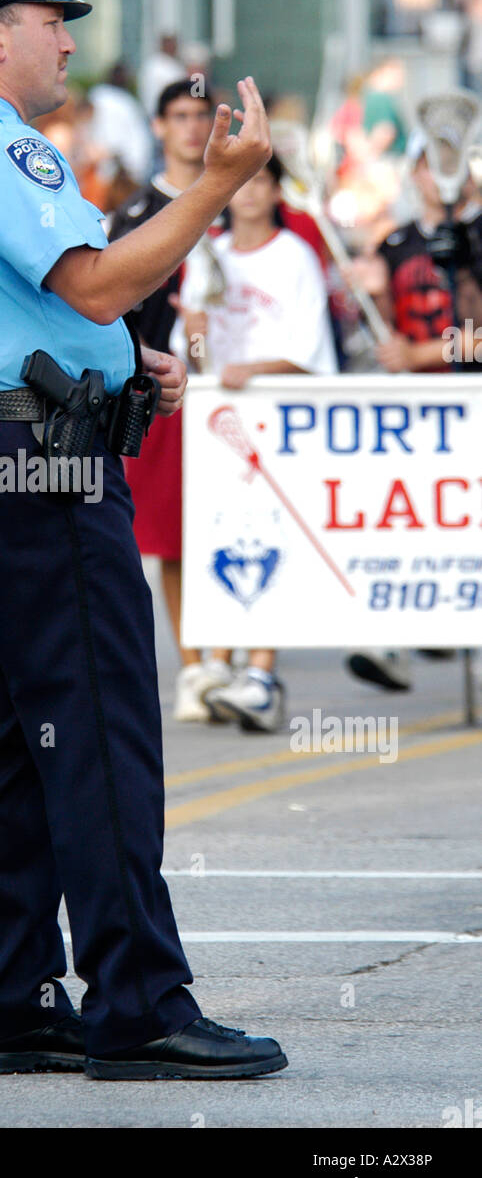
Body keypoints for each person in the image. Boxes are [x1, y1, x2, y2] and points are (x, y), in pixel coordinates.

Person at [0, 0, 286, 1079]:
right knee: (99, 729)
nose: (66, 37)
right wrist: (214, 183)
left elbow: (32, 311)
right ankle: (138, 1003)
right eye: (49, 18)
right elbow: (92, 278)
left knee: (16, 737)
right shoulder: (2, 146)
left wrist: (116, 364)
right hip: (40, 471)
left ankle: (9, 997)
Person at [174, 156, 338, 732]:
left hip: (277, 421)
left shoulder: (294, 256)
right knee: (222, 534)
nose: (248, 194)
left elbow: (311, 347)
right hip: (218, 420)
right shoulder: (206, 253)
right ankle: (220, 662)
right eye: (239, 183)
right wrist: (195, 336)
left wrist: (255, 367)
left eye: (260, 181)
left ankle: (262, 672)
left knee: (272, 535)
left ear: (275, 190)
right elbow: (192, 352)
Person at [345, 131, 482, 692]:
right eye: (429, 164)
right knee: (405, 517)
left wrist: (423, 352)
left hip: (471, 401)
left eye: (449, 164)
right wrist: (374, 296)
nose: (439, 175)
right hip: (417, 413)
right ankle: (401, 635)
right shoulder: (396, 241)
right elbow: (388, 340)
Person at [107, 78, 226, 721]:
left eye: (200, 116)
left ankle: (237, 662)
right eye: (177, 116)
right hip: (168, 400)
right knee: (174, 538)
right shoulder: (131, 216)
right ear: (158, 127)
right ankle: (195, 668)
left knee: (236, 529)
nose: (189, 127)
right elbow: (113, 309)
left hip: (239, 392)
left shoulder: (242, 199)